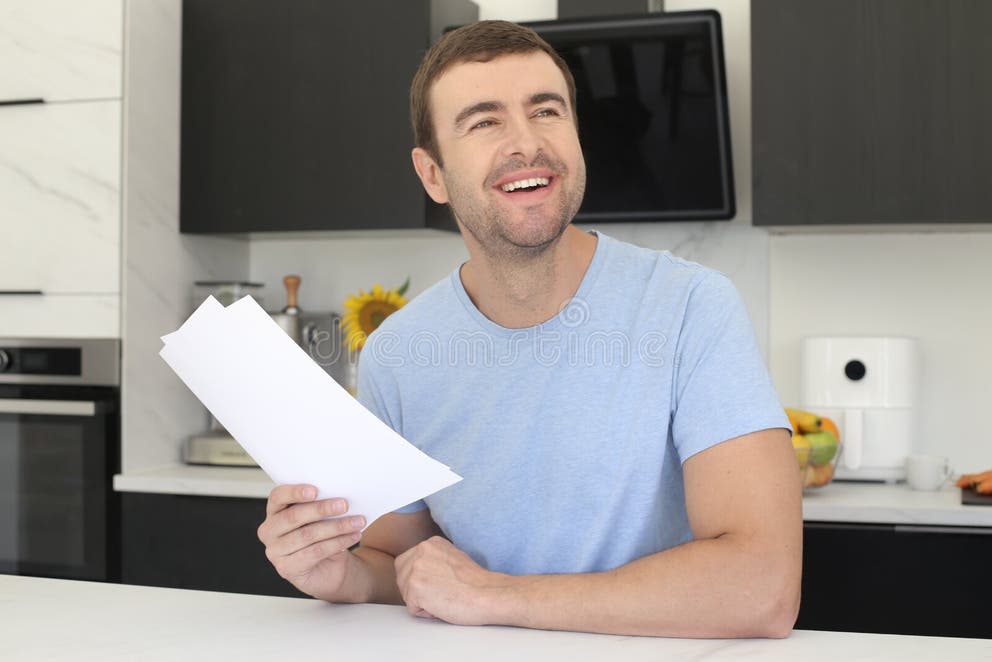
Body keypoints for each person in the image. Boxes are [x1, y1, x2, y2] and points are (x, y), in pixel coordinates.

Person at [257, 20, 802, 638]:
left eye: (546, 111)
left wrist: (498, 597)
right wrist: (342, 576)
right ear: (432, 174)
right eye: (484, 121)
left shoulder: (690, 308)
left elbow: (764, 587)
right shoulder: (398, 354)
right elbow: (402, 565)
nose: (527, 142)